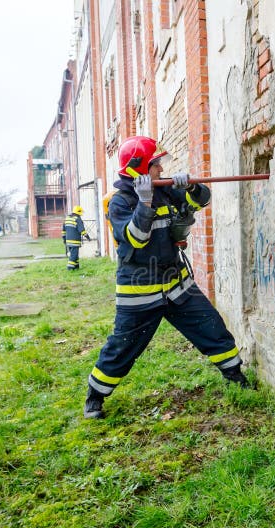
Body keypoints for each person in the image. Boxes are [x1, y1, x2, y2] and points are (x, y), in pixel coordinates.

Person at [84, 136, 249, 419]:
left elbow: (201, 201)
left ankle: (234, 375)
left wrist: (192, 186)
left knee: (211, 325)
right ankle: (95, 396)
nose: (160, 169)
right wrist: (144, 203)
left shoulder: (164, 190)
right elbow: (135, 239)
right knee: (122, 347)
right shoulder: (120, 202)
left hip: (176, 282)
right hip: (139, 290)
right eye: (155, 164)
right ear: (138, 169)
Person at [63, 205, 90, 270]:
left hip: (68, 240)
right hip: (75, 241)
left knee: (74, 254)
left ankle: (76, 267)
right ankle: (70, 268)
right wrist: (87, 237)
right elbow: (82, 230)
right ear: (79, 212)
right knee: (73, 255)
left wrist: (64, 239)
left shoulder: (67, 218)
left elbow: (63, 230)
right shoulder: (77, 219)